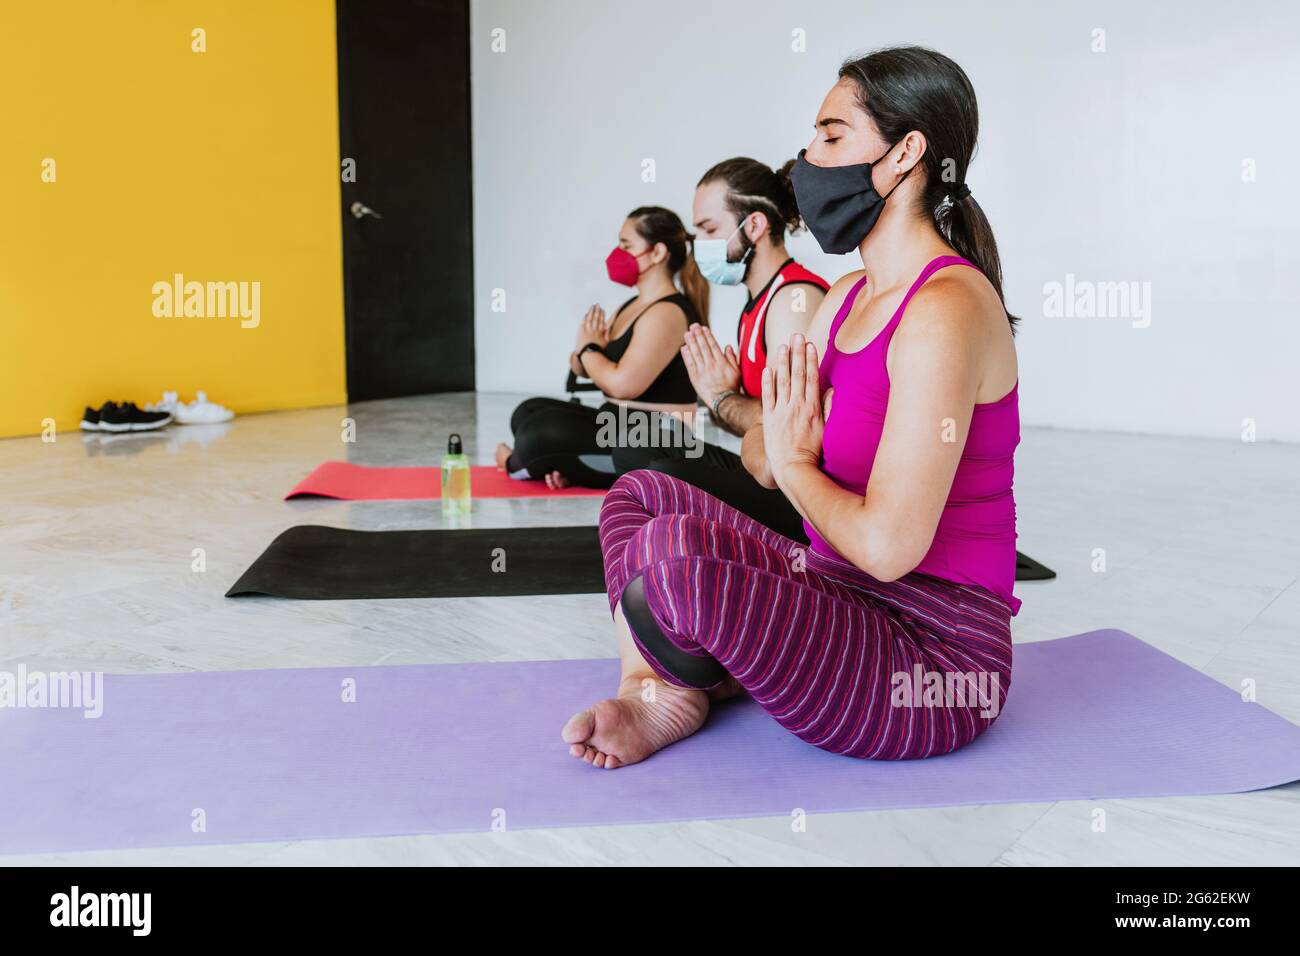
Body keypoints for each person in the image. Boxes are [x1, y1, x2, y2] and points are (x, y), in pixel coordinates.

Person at [564, 46, 1021, 766]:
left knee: (675, 573)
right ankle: (655, 689)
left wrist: (793, 457)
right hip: (837, 595)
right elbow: (762, 458)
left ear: (906, 153)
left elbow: (885, 546)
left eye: (832, 136)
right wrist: (780, 452)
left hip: (932, 663)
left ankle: (694, 675)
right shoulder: (842, 301)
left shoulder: (945, 310)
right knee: (641, 500)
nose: (808, 158)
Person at [612, 158, 828, 540]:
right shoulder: (756, 302)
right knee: (635, 445)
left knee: (665, 476)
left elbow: (792, 431)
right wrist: (722, 400)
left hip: (799, 499)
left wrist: (722, 397)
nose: (700, 245)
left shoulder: (793, 300)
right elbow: (752, 420)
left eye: (710, 229)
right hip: (763, 468)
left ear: (755, 225)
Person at [496, 207, 708, 488]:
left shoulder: (668, 313)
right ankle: (563, 463)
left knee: (540, 432)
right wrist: (588, 351)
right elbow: (582, 366)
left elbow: (621, 384)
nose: (617, 253)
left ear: (657, 253)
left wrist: (588, 350)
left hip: (654, 436)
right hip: (616, 421)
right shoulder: (632, 306)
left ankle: (515, 464)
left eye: (626, 245)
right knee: (528, 412)